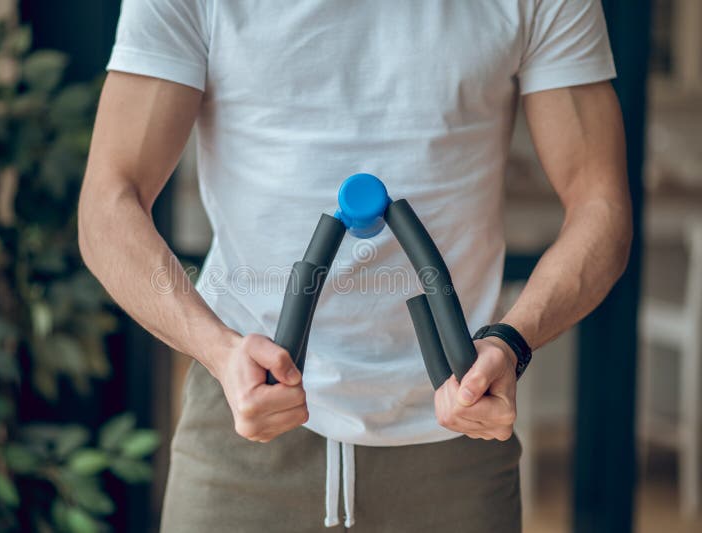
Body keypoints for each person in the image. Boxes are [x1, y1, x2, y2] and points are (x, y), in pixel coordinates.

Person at [78, 1, 631, 531]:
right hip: (240, 430)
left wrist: (512, 339)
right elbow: (108, 205)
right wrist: (218, 350)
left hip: (457, 433)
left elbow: (600, 206)